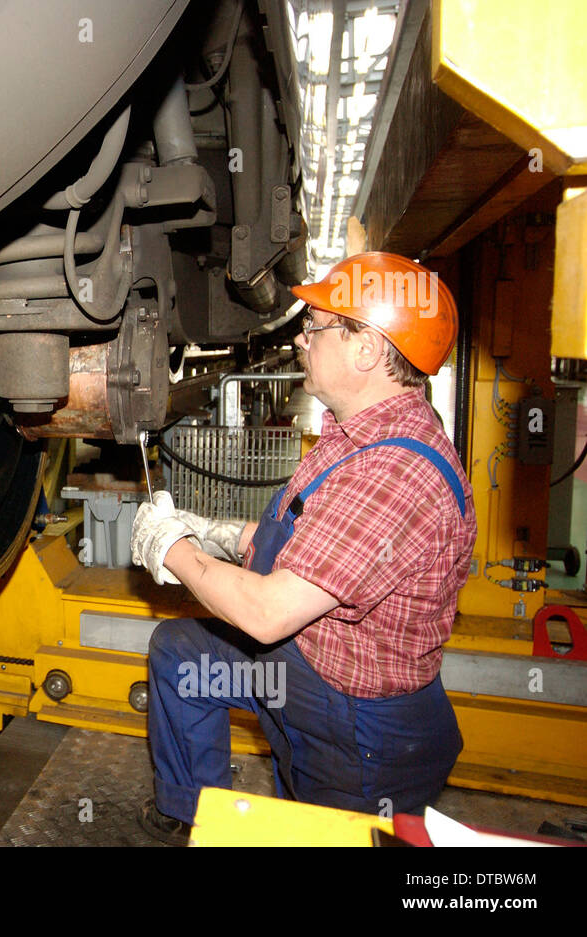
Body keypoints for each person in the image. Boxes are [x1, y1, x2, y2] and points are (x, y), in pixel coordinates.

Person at [129, 251, 477, 845]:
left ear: (366, 349)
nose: (300, 339)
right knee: (183, 654)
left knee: (316, 833)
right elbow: (308, 545)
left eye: (314, 327)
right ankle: (195, 811)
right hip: (310, 664)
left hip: (360, 733)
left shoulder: (393, 472)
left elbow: (267, 615)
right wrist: (213, 530)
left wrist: (173, 548)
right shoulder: (354, 434)